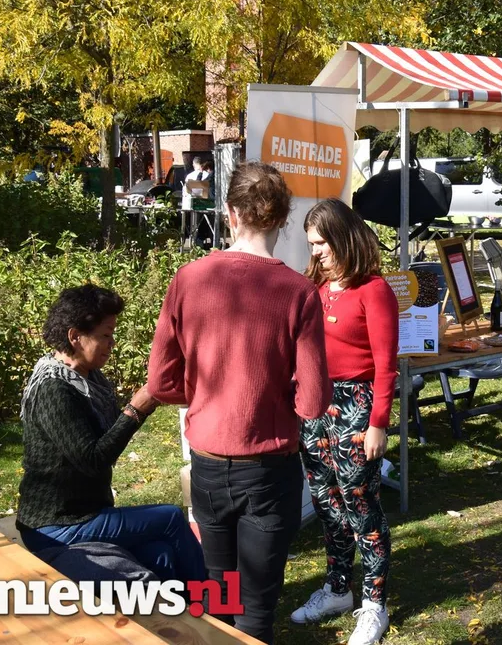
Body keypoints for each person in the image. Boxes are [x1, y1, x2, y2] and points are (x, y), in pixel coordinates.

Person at [147, 161, 332, 643]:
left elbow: (162, 382)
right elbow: (312, 402)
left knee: (219, 594)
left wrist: (208, 394)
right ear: (285, 217)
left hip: (209, 461)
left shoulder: (187, 279)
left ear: (230, 213)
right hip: (269, 467)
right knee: (256, 609)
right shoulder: (299, 293)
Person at [16, 284, 206, 583]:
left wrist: (142, 406)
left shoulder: (86, 376)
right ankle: (213, 602)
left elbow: (103, 441)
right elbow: (94, 459)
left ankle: (181, 617)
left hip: (87, 514)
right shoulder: (55, 389)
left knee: (161, 554)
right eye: (105, 335)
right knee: (170, 516)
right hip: (56, 526)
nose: (112, 343)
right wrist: (137, 409)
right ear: (75, 336)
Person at [289, 198, 398, 645]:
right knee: (325, 501)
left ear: (343, 238)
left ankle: (375, 604)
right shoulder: (314, 288)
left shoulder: (374, 290)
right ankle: (337, 588)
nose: (316, 252)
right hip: (314, 403)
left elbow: (387, 365)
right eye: (311, 244)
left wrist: (378, 423)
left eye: (322, 243)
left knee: (360, 505)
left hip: (356, 403)